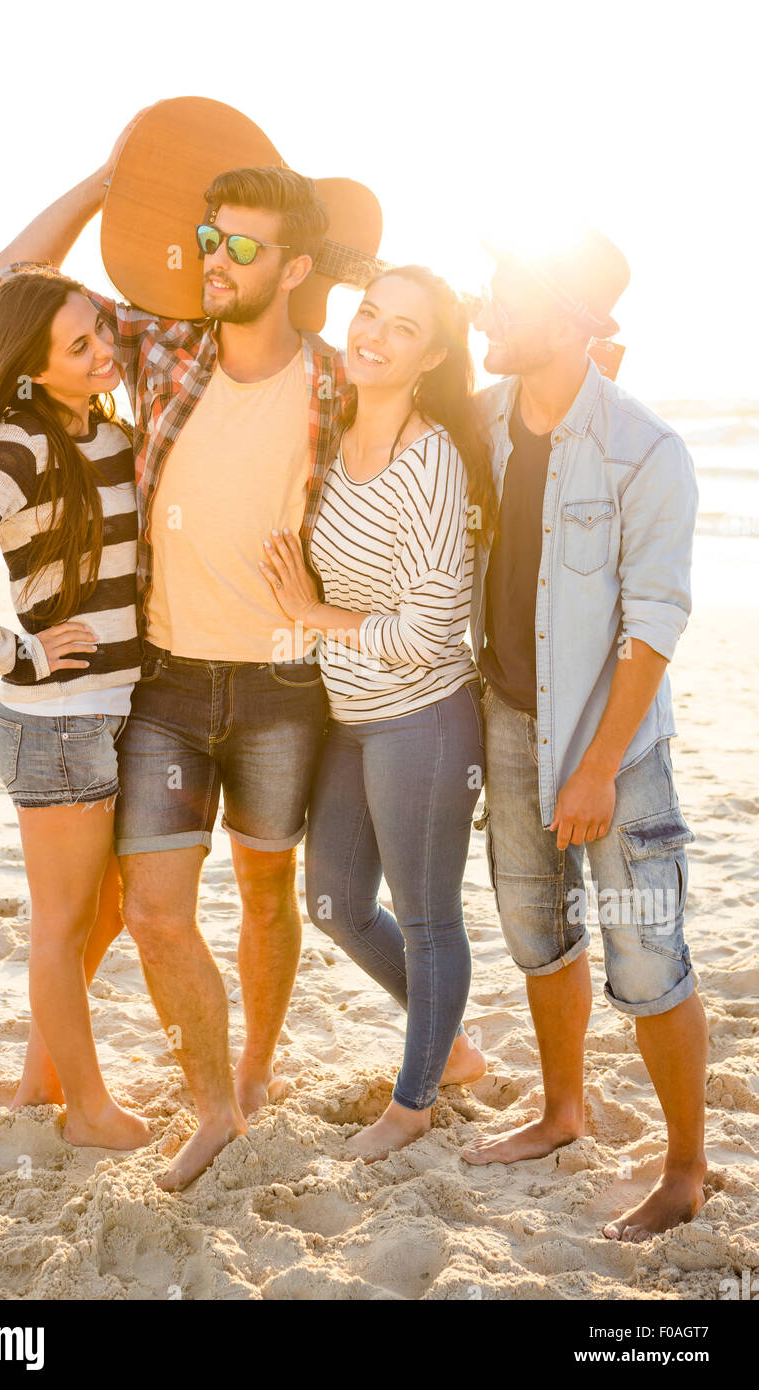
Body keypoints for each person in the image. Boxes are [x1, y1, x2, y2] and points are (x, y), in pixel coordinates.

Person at [0, 126, 349, 1189]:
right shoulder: (161, 349)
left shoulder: (339, 383)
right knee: (152, 911)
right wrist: (119, 179)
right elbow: (19, 273)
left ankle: (250, 1071)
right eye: (208, 237)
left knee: (267, 893)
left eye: (241, 247)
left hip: (287, 685)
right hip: (167, 683)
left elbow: (436, 399)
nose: (212, 260)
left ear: (294, 268)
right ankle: (209, 1109)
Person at [461, 228, 707, 1241]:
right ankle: (563, 1110)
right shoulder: (478, 422)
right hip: (507, 724)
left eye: (506, 297)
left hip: (616, 748)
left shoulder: (643, 450)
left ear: (568, 322)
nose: (486, 310)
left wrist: (597, 769)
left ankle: (685, 1168)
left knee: (647, 959)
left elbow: (652, 624)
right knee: (537, 935)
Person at [0, 270, 148, 1151]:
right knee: (62, 926)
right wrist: (20, 650)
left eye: (101, 333)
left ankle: (40, 1083)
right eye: (78, 347)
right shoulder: (23, 444)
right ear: (34, 367)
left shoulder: (114, 437)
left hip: (117, 712)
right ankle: (84, 1109)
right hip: (57, 722)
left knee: (109, 913)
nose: (102, 353)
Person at [259, 266, 494, 1159]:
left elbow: (435, 629)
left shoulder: (429, 459)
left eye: (402, 328)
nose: (373, 335)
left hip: (423, 721)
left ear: (431, 356)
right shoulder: (333, 429)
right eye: (368, 314)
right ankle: (456, 1046)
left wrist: (312, 616)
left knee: (429, 918)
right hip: (348, 715)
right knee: (335, 902)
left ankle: (415, 1101)